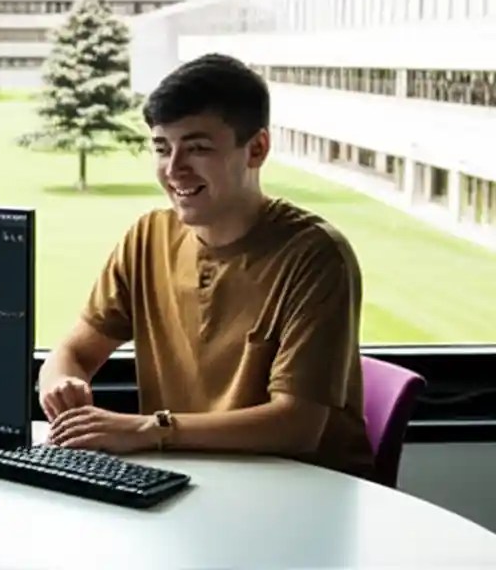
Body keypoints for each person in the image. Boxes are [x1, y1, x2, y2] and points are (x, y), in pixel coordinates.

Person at [37, 53, 374, 479]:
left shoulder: (316, 256)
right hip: (190, 479)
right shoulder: (147, 237)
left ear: (257, 149)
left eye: (197, 148)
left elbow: (297, 425)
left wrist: (147, 429)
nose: (174, 169)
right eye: (162, 148)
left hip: (302, 489)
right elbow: (71, 353)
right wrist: (62, 389)